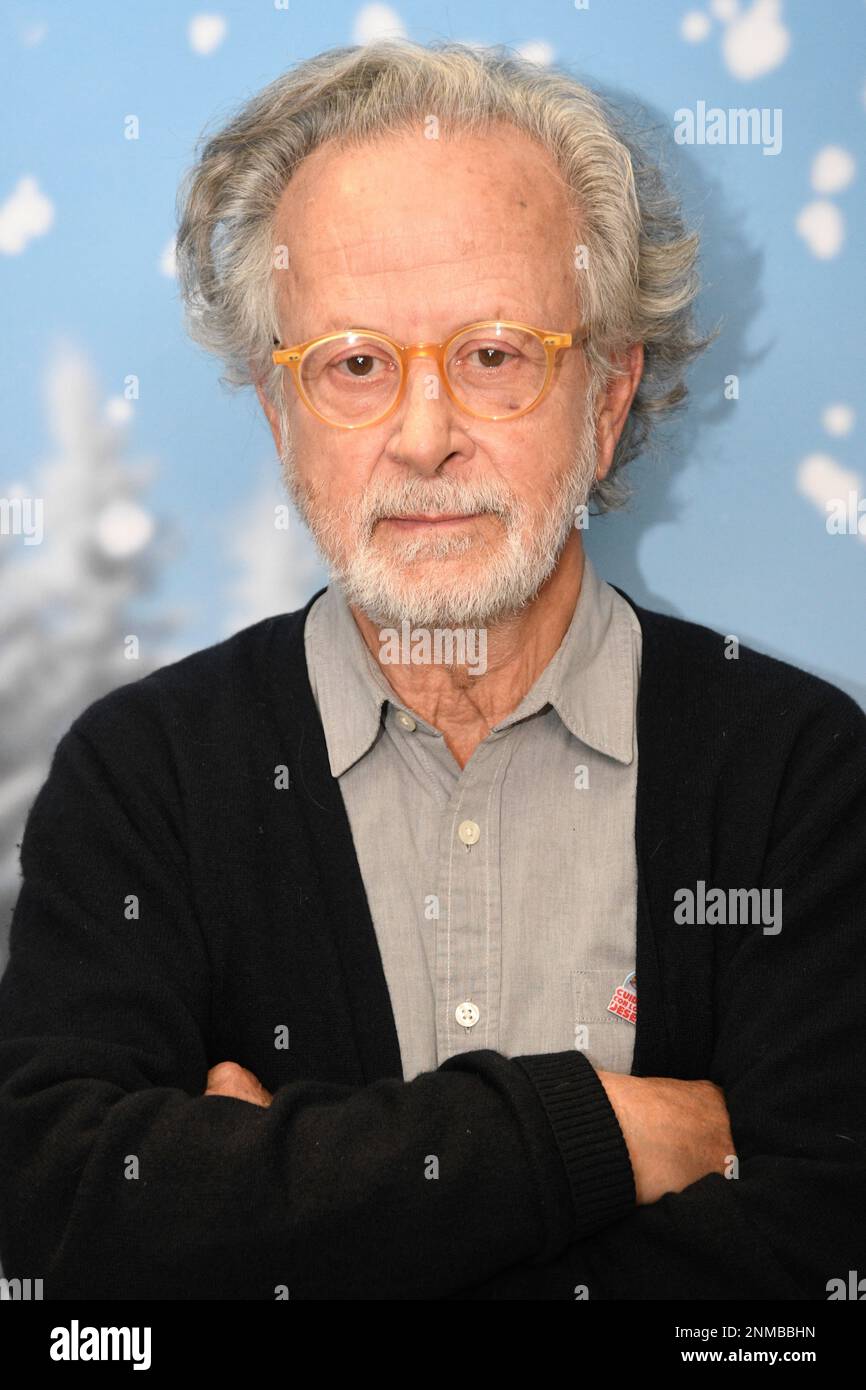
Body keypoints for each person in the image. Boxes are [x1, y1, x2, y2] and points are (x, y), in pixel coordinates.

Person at [0, 39, 863, 1301]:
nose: (422, 437)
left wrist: (280, 1216)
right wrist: (589, 1141)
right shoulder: (145, 780)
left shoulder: (799, 776)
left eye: (494, 353)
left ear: (609, 390)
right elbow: (62, 1227)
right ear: (276, 413)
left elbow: (808, 1287)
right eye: (352, 364)